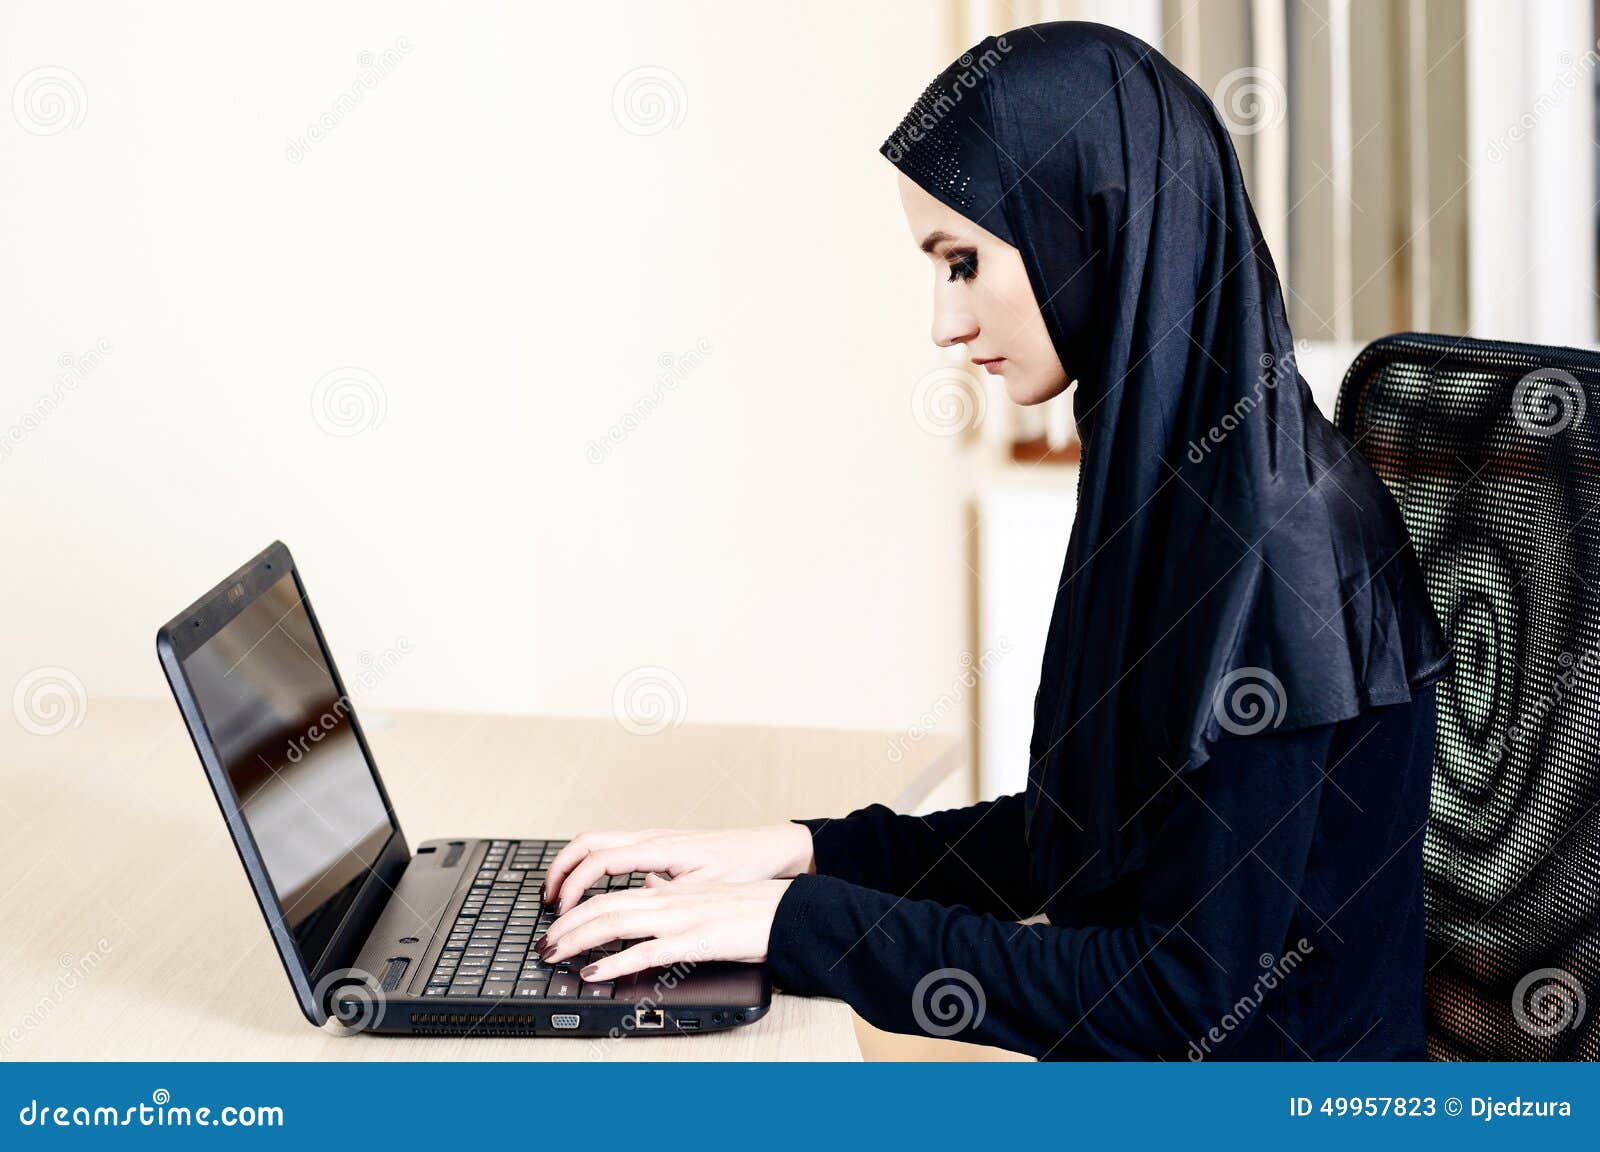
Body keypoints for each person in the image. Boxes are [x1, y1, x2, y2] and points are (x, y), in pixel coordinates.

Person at [538, 21, 1452, 1060]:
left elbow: (1183, 1000)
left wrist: (799, 927)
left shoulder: (1279, 549)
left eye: (963, 262)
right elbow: (1086, 847)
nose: (943, 320)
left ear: (1087, 226)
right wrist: (795, 857)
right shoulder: (1186, 491)